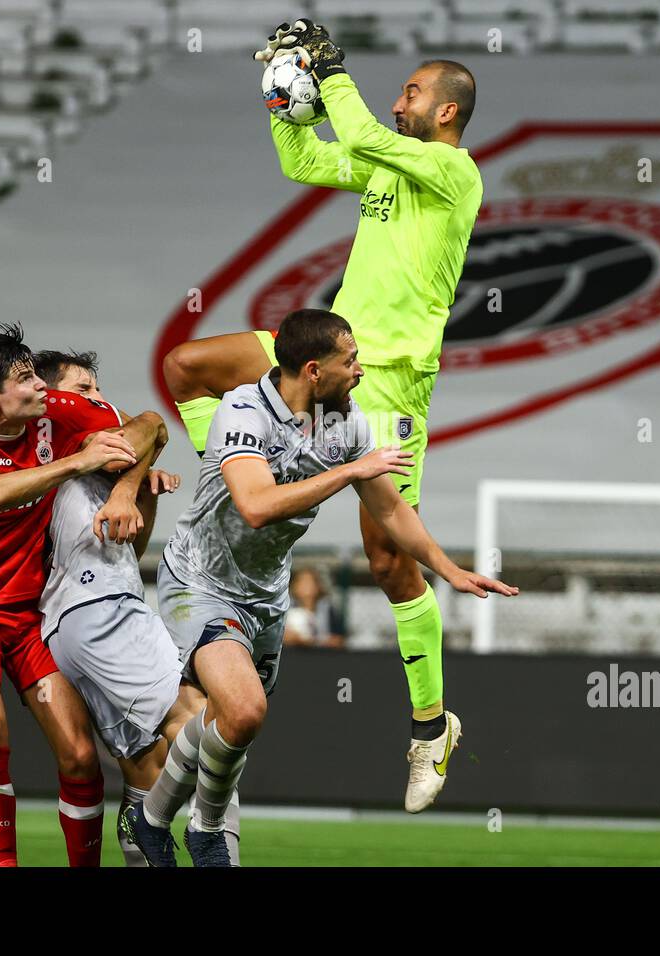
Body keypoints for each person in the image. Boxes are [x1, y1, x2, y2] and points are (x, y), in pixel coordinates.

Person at [163, 20, 482, 811]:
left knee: (387, 562)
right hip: (325, 352)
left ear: (445, 112)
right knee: (186, 367)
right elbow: (303, 158)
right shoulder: (386, 171)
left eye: (414, 90)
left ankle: (430, 727)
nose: (401, 99)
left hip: (391, 383)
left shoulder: (454, 174)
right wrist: (284, 102)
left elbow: (366, 128)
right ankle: (235, 461)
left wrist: (332, 71)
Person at [126, 309, 517, 867]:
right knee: (243, 710)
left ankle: (153, 816)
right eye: (350, 361)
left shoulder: (348, 422)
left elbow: (390, 509)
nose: (361, 371)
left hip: (265, 592)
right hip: (200, 579)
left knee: (232, 725)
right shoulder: (243, 410)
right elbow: (257, 507)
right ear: (313, 370)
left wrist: (447, 568)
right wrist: (349, 473)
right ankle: (208, 831)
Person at [0, 322, 162, 867]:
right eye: (26, 379)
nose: (40, 388)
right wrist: (78, 461)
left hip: (30, 613)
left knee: (79, 754)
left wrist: (126, 485)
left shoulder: (54, 409)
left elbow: (149, 425)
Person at [31, 348, 242, 866]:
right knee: (216, 718)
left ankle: (144, 829)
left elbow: (128, 545)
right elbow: (152, 423)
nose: (98, 400)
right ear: (53, 396)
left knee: (147, 766)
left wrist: (138, 491)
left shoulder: (69, 463)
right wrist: (130, 484)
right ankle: (216, 849)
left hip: (73, 616)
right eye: (84, 389)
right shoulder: (65, 429)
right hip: (99, 605)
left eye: (97, 389)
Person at [283, 567, 345, 648]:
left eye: (310, 582)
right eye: (302, 582)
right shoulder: (286, 608)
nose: (306, 587)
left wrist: (312, 641)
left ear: (317, 586)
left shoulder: (328, 609)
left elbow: (338, 639)